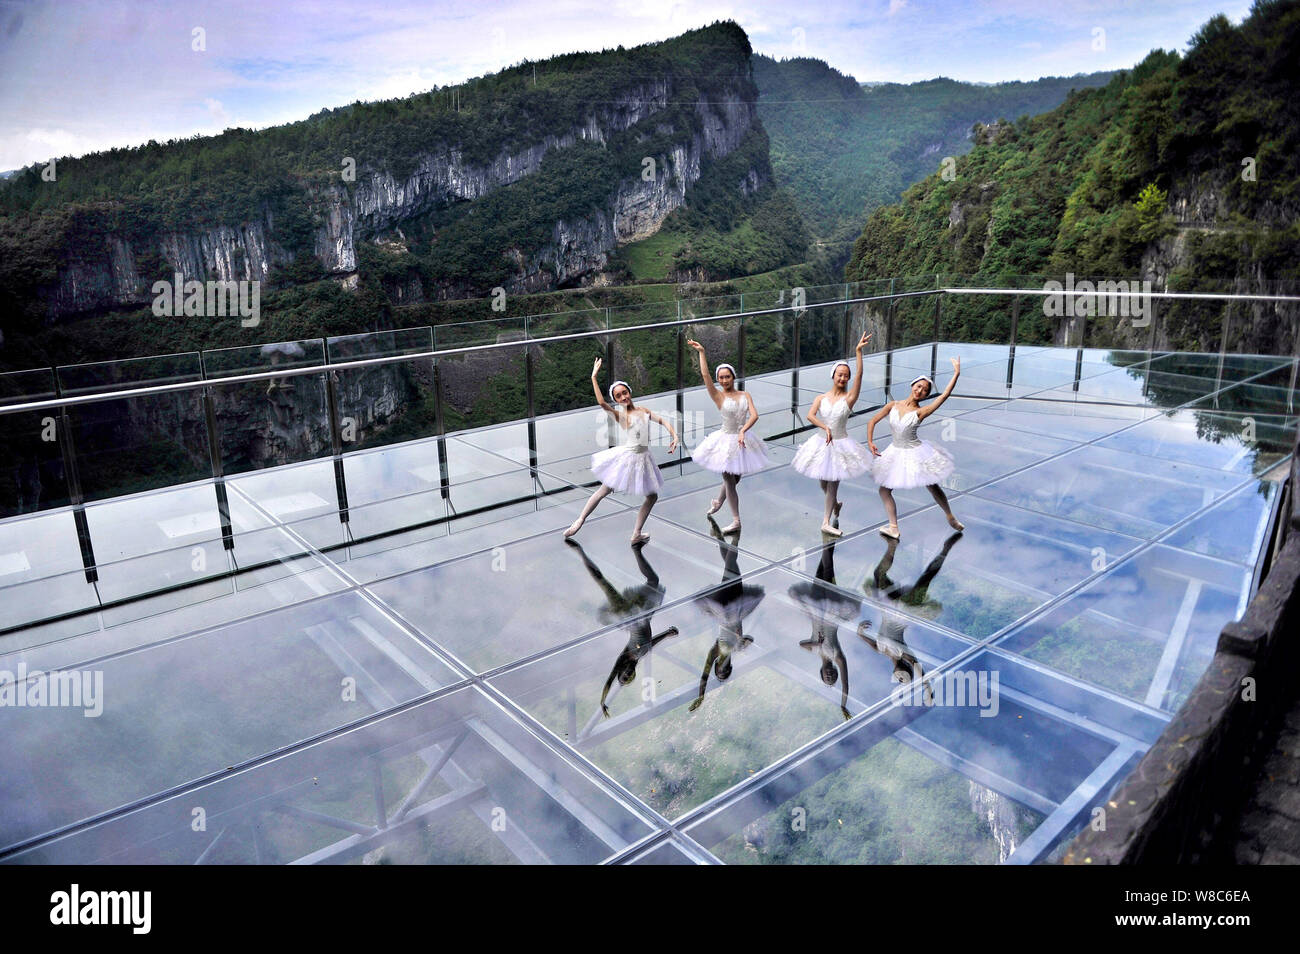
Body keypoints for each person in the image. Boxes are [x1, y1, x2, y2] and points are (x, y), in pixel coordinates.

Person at [565, 358, 678, 545]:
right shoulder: (622, 416)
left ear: (629, 392)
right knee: (604, 490)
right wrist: (594, 377)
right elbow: (602, 403)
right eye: (619, 396)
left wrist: (674, 436)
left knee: (652, 496)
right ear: (616, 400)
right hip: (628, 458)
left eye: (624, 393)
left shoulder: (643, 410)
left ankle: (636, 533)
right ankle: (580, 520)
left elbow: (663, 421)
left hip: (644, 458)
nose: (623, 397)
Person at [865, 358, 963, 539]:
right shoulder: (892, 405)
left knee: (932, 485)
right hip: (895, 451)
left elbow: (944, 396)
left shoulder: (921, 411)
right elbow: (872, 421)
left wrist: (956, 373)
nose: (920, 391)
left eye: (925, 390)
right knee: (884, 490)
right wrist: (870, 442)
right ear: (912, 386)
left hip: (915, 451)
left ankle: (950, 516)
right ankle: (893, 527)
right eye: (919, 387)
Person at [791, 332, 873, 536]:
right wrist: (824, 427)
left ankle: (826, 521)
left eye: (846, 375)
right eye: (840, 375)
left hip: (840, 444)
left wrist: (858, 352)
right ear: (833, 376)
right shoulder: (821, 398)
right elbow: (810, 415)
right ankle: (835, 505)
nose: (843, 378)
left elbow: (860, 376)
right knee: (823, 482)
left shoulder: (849, 398)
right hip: (821, 442)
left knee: (833, 483)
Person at [685, 339, 769, 534]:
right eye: (721, 378)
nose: (724, 380)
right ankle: (736, 520)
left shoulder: (745, 395)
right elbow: (705, 375)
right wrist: (702, 353)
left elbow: (755, 415)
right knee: (730, 480)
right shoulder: (718, 396)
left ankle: (719, 501)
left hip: (742, 439)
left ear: (733, 377)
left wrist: (743, 430)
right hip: (724, 441)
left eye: (727, 377)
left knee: (735, 478)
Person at [687, 519, 765, 713]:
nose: (721, 668)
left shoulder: (715, 651)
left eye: (719, 670)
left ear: (717, 667)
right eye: (725, 670)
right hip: (737, 606)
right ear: (728, 668)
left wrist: (701, 695)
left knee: (730, 566)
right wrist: (742, 640)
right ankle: (722, 537)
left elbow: (704, 675)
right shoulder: (737, 649)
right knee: (730, 567)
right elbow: (750, 638)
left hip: (723, 607)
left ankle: (734, 538)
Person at [788, 540, 859, 720]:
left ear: (821, 673)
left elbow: (801, 644)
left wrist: (815, 642)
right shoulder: (837, 656)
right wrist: (843, 704)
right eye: (832, 676)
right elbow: (846, 682)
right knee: (828, 571)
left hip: (815, 608)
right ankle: (829, 537)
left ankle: (828, 539)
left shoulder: (815, 651)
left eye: (827, 677)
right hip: (832, 611)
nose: (829, 675)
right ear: (835, 671)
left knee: (820, 573)